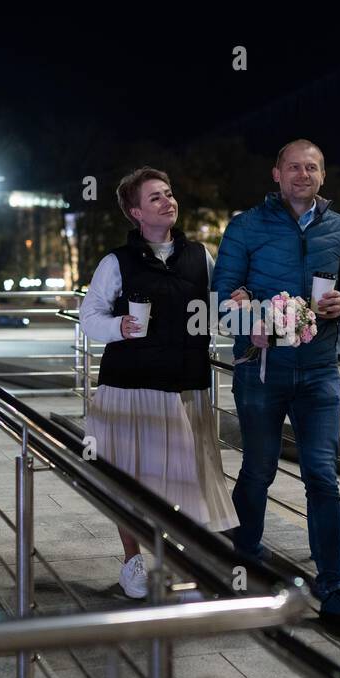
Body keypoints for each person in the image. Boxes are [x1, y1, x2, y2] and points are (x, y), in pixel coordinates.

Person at [212, 139, 340, 618]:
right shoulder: (245, 226)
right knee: (258, 471)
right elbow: (221, 300)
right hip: (261, 371)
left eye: (313, 167)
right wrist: (249, 320)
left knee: (322, 476)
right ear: (276, 175)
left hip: (320, 372)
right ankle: (244, 563)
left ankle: (334, 584)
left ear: (322, 176)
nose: (304, 174)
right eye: (294, 167)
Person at [80, 167, 240, 599]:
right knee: (129, 476)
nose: (167, 201)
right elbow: (89, 317)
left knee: (185, 479)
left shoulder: (200, 257)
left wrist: (243, 309)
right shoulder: (117, 261)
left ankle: (179, 561)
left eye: (169, 194)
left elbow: (214, 313)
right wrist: (121, 328)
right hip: (130, 385)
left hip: (187, 384)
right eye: (155, 197)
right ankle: (132, 561)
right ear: (135, 212)